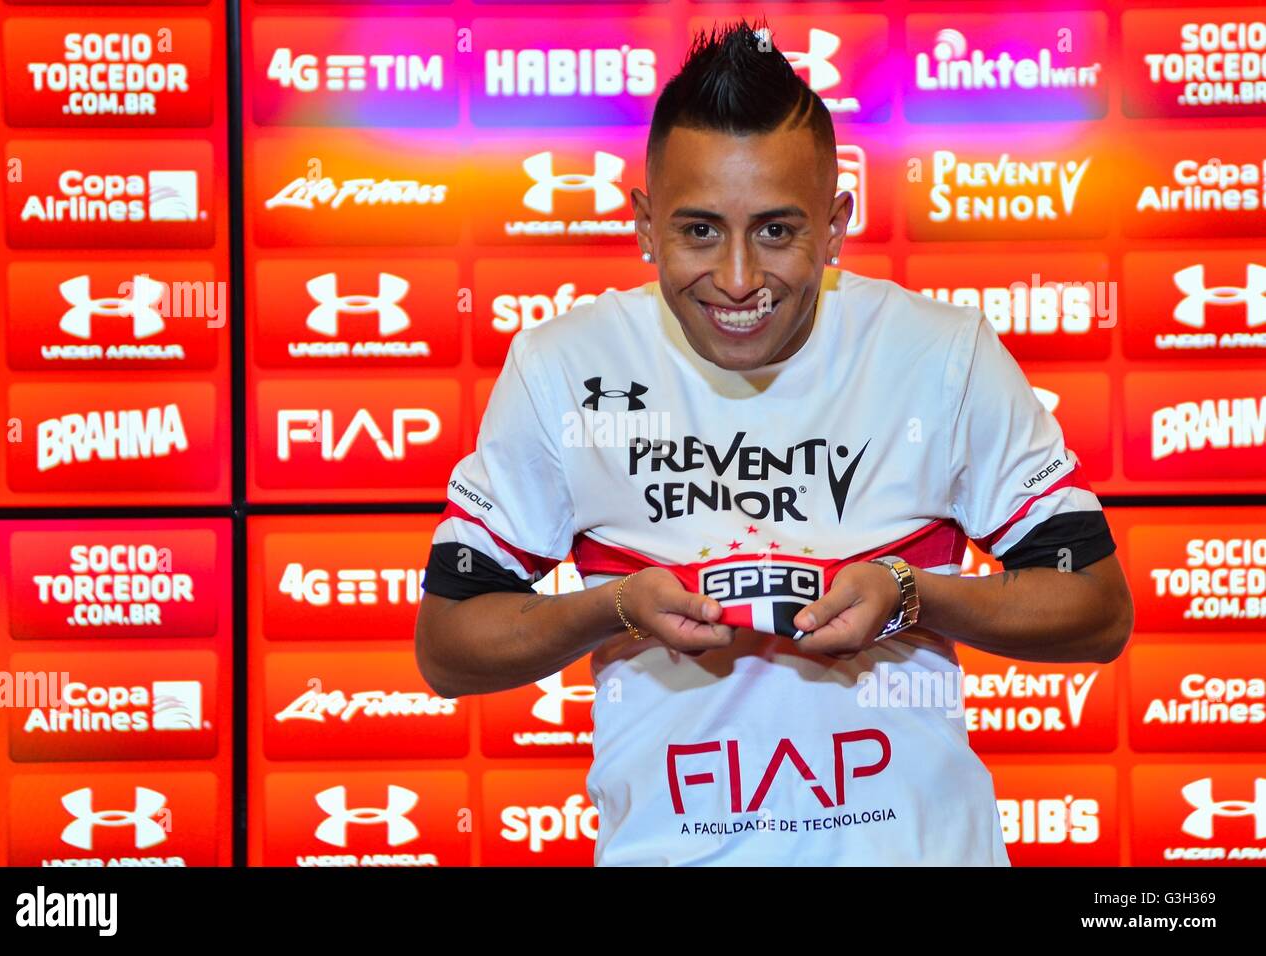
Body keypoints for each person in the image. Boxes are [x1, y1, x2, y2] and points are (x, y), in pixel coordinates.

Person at [415, 20, 1134, 866]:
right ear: (644, 224)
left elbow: (1096, 609)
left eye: (776, 231)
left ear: (834, 225)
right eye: (699, 231)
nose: (738, 280)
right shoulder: (563, 368)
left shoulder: (942, 353)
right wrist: (615, 608)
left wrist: (912, 596)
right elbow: (448, 646)